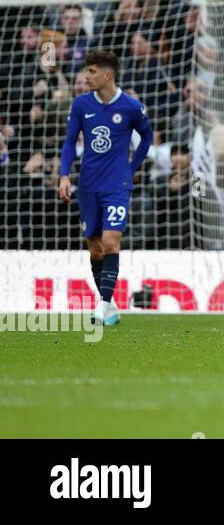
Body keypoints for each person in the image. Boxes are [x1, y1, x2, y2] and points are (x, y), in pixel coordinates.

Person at [58, 50, 154, 327]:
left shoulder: (131, 106)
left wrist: (131, 168)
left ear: (107, 75)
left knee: (111, 242)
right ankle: (109, 306)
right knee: (95, 249)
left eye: (91, 72)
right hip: (88, 184)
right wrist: (65, 175)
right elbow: (68, 142)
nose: (85, 76)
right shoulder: (80, 104)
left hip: (116, 186)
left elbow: (146, 138)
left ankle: (101, 306)